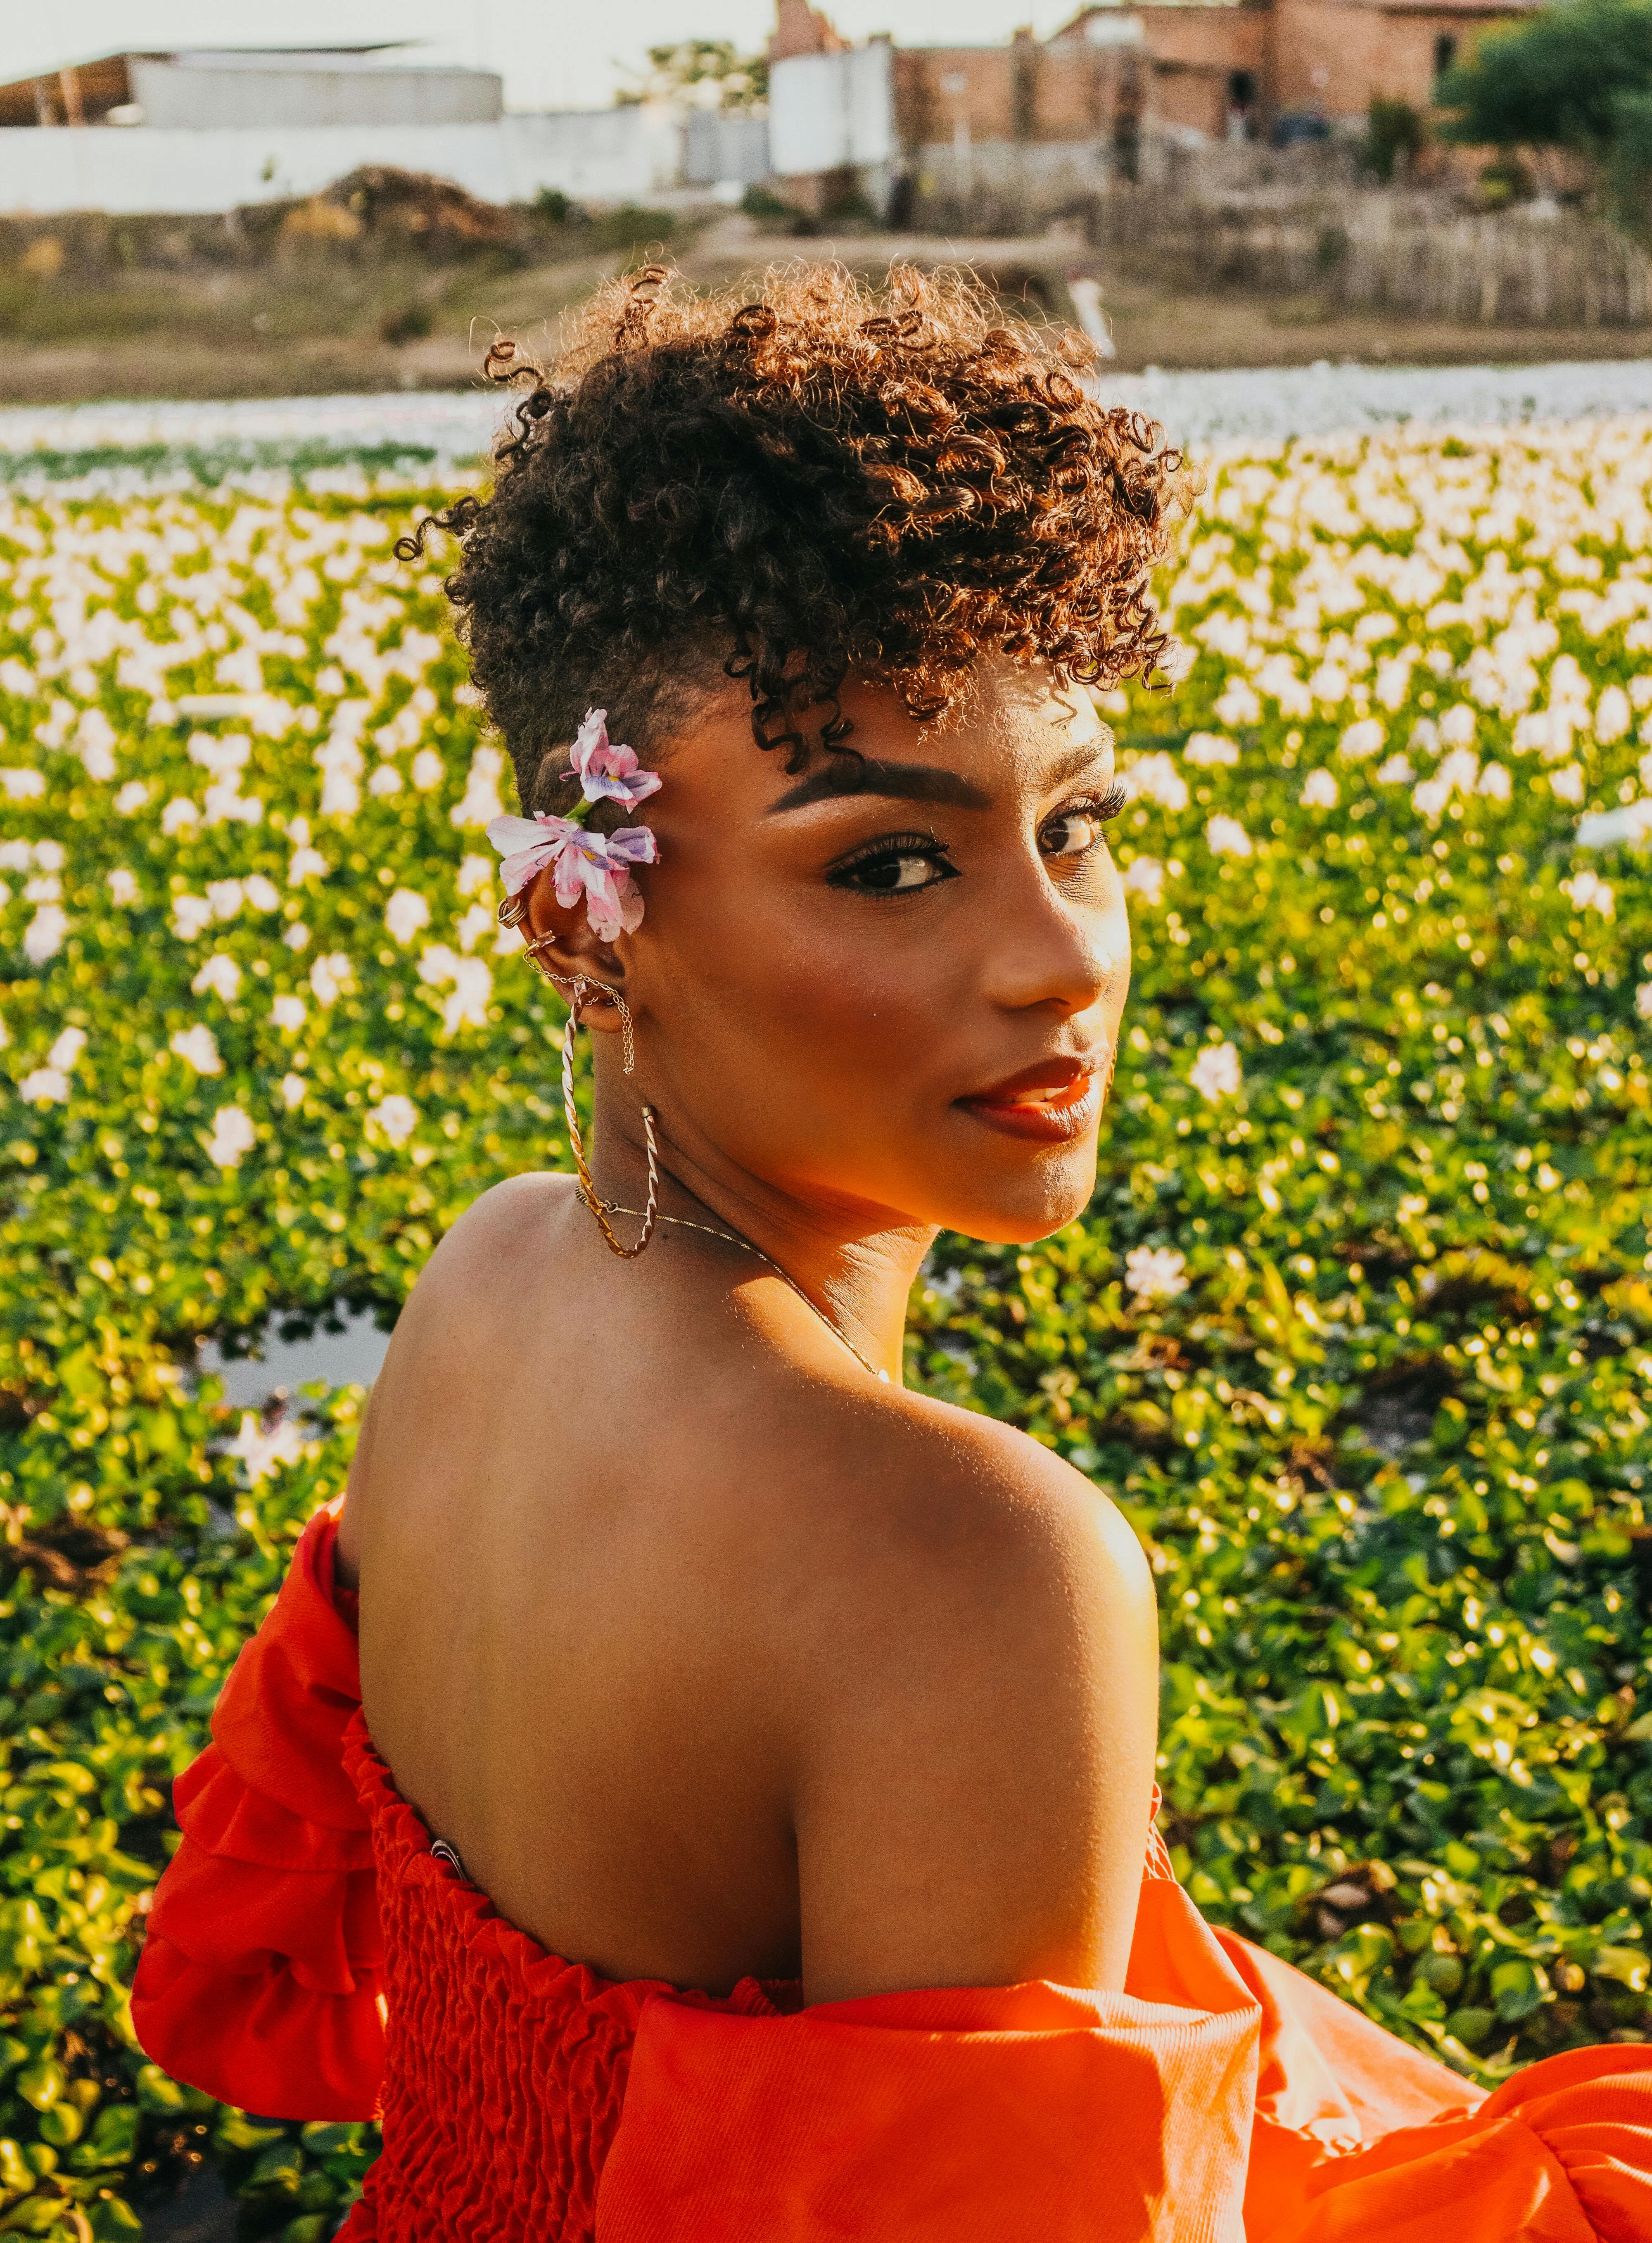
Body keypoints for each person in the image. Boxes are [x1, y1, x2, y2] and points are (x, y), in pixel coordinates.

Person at [131, 265, 1652, 2241]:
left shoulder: (483, 1279)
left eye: (1077, 825)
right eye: (892, 861)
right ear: (583, 925)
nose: (1060, 955)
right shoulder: (974, 1565)